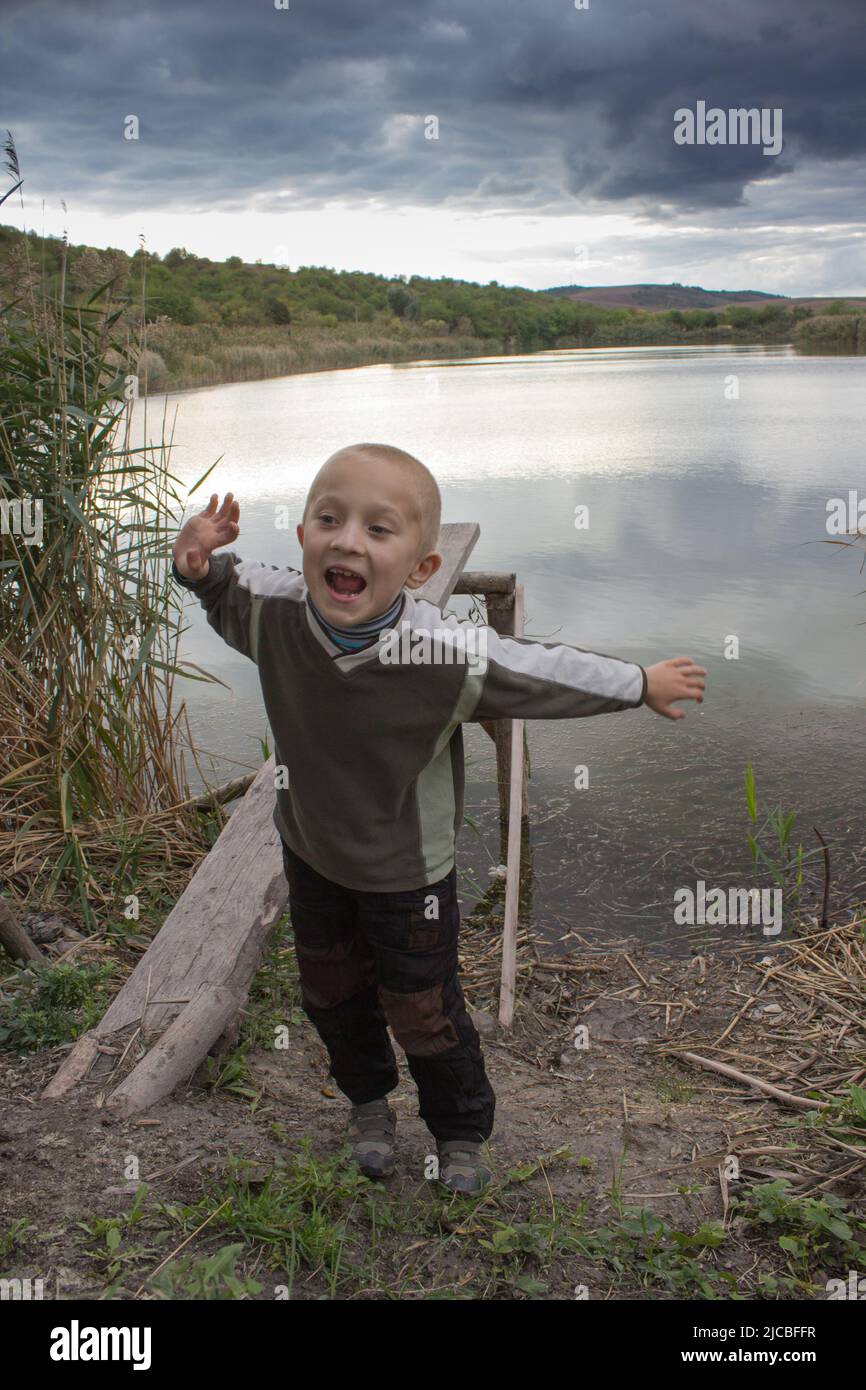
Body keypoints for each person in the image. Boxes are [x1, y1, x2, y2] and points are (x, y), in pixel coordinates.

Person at [171, 442, 707, 1194]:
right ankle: (366, 1106)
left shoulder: (445, 653)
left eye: (379, 529)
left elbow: (543, 669)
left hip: (408, 875)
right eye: (329, 519)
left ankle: (458, 1132)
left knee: (422, 1007)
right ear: (302, 539)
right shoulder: (275, 614)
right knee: (329, 994)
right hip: (314, 854)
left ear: (422, 570)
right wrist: (194, 564)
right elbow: (222, 591)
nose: (349, 539)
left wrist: (637, 681)